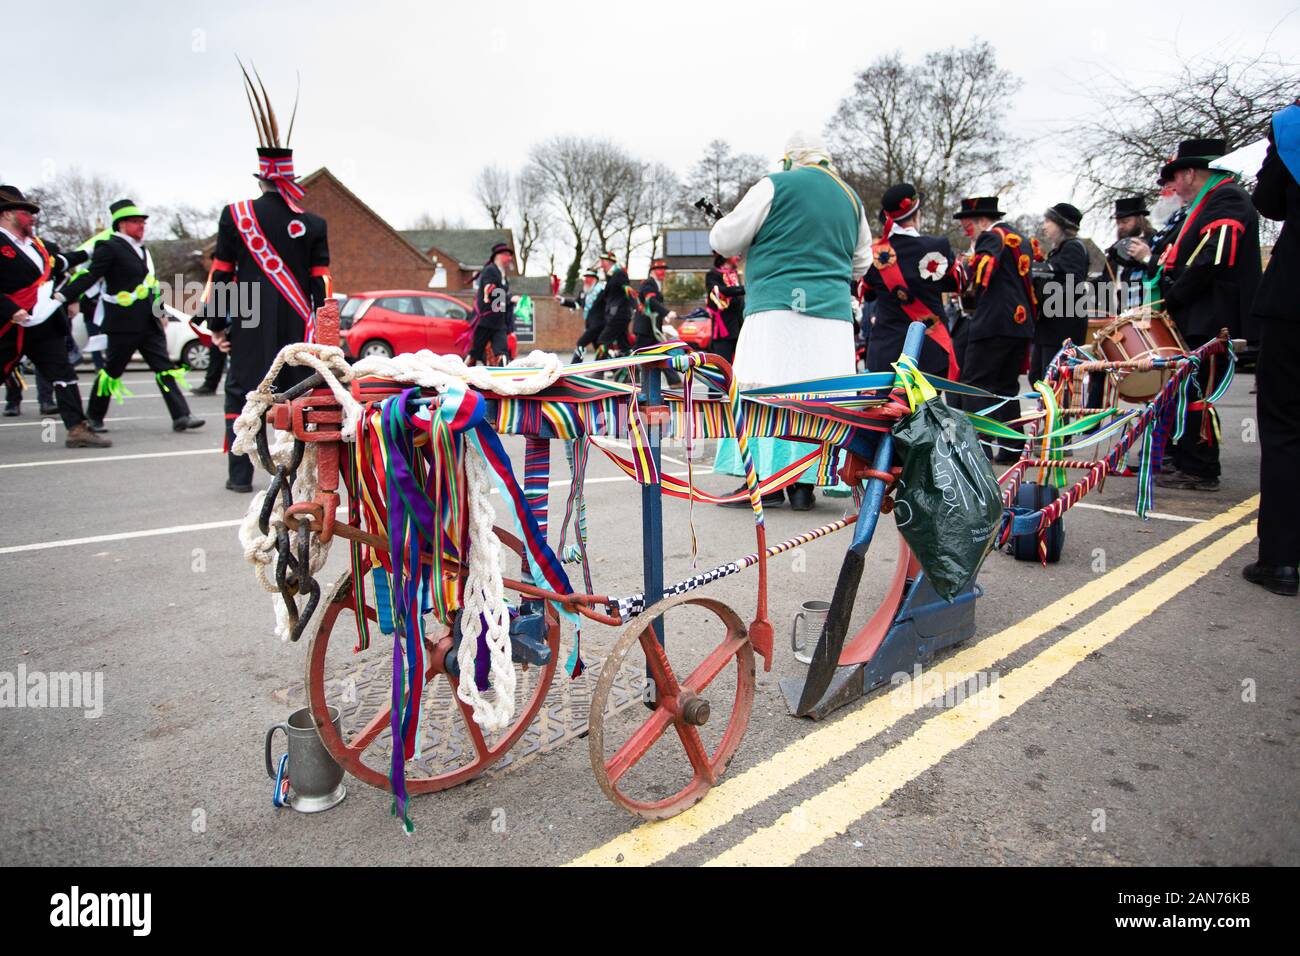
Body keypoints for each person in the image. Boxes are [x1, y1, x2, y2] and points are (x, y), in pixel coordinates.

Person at [709, 131, 871, 512]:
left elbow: (725, 239)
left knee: (766, 390)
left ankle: (765, 482)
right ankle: (805, 484)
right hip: (831, 317)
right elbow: (861, 262)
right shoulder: (851, 198)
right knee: (821, 397)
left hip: (776, 309)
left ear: (789, 159)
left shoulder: (774, 185)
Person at [204, 72, 331, 492]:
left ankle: (239, 475)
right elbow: (322, 286)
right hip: (296, 325)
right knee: (294, 396)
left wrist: (217, 326)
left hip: (250, 314)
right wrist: (323, 329)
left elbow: (222, 272)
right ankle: (290, 472)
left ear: (260, 178)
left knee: (243, 394)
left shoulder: (235, 214)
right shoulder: (313, 224)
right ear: (291, 179)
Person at [1152, 137, 1262, 492]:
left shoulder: (1227, 197)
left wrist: (1174, 293)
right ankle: (1181, 457)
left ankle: (1198, 468)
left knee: (1198, 392)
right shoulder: (1211, 200)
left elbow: (1213, 258)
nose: (1173, 187)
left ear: (1189, 172)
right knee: (1187, 389)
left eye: (1175, 177)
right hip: (1199, 314)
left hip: (1212, 316)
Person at [60, 200, 205, 436]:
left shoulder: (142, 250)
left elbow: (151, 285)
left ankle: (182, 416)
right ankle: (94, 417)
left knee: (164, 369)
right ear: (122, 224)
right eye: (136, 222)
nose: (142, 226)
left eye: (143, 222)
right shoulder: (108, 246)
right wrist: (63, 296)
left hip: (148, 322)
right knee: (112, 371)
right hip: (123, 324)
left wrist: (161, 312)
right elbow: (91, 275)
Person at [0, 185, 109, 448]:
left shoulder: (37, 246)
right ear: (6, 214)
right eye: (25, 212)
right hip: (8, 324)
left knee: (63, 373)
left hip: (43, 325)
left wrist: (90, 251)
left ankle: (77, 429)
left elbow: (59, 263)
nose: (32, 217)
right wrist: (9, 309)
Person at [1242, 101, 1300, 596]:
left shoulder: (1293, 125)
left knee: (1284, 431)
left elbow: (1270, 201)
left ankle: (1280, 560)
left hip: (1295, 299)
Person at [954, 196, 1037, 462]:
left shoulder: (991, 237)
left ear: (981, 221)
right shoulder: (1021, 238)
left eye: (969, 227)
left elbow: (980, 273)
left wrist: (967, 265)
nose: (969, 232)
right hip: (1019, 325)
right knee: (1006, 388)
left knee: (975, 385)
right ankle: (1012, 447)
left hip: (992, 323)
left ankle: (979, 448)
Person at [861, 182, 962, 379]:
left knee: (886, 410)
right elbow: (957, 283)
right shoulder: (938, 246)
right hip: (929, 351)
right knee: (926, 409)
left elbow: (868, 292)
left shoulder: (875, 255)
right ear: (917, 214)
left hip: (886, 354)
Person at [1030, 202, 1090, 383]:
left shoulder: (1073, 248)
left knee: (1053, 381)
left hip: (1062, 327)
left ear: (1061, 224)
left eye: (1048, 221)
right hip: (1050, 326)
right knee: (1038, 378)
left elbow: (1072, 285)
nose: (1044, 226)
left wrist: (1040, 294)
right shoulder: (1061, 250)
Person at [1104, 196, 1157, 311]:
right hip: (1118, 313)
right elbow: (1105, 280)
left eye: (1125, 221)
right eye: (1118, 223)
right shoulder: (1115, 251)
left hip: (1146, 310)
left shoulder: (1155, 242)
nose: (1121, 226)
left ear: (1139, 220)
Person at [469, 242, 515, 366]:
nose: (510, 258)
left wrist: (507, 320)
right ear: (498, 256)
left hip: (498, 322)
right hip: (485, 321)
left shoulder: (502, 274)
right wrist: (510, 298)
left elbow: (499, 304)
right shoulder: (490, 271)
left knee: (502, 350)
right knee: (475, 353)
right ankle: (462, 377)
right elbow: (490, 291)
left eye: (510, 255)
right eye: (506, 254)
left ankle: (504, 378)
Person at [704, 252, 744, 365]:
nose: (738, 256)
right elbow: (719, 291)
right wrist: (744, 289)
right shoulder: (713, 275)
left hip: (738, 325)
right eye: (735, 254)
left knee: (742, 364)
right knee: (724, 366)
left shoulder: (735, 275)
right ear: (725, 255)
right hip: (723, 329)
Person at [596, 251, 634, 355]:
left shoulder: (619, 273)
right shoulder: (611, 276)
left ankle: (599, 370)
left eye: (603, 261)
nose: (601, 264)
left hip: (618, 315)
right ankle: (631, 370)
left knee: (602, 341)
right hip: (617, 315)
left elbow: (628, 290)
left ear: (609, 262)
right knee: (624, 345)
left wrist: (636, 307)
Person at [634, 258, 676, 345]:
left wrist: (664, 316)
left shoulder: (656, 285)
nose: (663, 272)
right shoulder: (648, 283)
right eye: (660, 269)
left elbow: (655, 306)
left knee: (658, 356)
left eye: (664, 269)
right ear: (652, 271)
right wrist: (666, 313)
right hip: (645, 329)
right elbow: (651, 301)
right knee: (640, 355)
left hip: (652, 330)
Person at [570, 268, 604, 362]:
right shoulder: (584, 292)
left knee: (581, 343)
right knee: (599, 348)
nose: (586, 280)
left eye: (588, 277)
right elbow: (577, 304)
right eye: (585, 277)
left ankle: (573, 369)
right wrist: (562, 300)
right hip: (590, 324)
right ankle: (617, 370)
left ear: (595, 279)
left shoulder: (602, 290)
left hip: (599, 324)